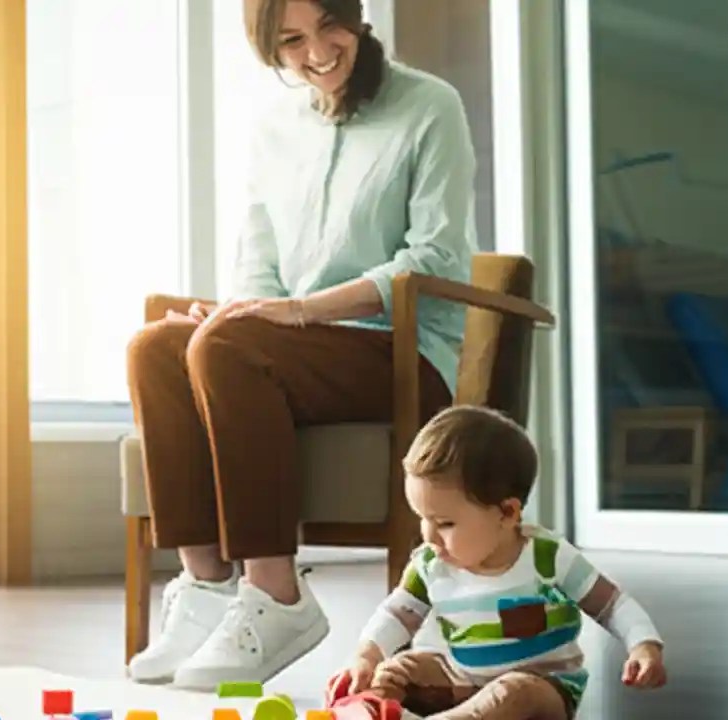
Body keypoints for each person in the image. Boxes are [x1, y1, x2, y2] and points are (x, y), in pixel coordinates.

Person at [124, 0, 479, 691]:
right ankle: (206, 592)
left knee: (223, 347)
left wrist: (301, 310)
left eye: (329, 26)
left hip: (397, 350)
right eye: (291, 40)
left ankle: (277, 594)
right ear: (270, 50)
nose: (317, 51)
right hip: (291, 350)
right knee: (156, 347)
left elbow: (434, 259)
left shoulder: (429, 105)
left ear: (356, 16)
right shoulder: (274, 130)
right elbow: (258, 258)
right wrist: (239, 311)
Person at [324, 406, 667, 719]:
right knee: (399, 668)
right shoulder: (430, 564)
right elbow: (396, 613)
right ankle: (368, 710)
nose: (428, 536)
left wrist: (644, 645)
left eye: (444, 523)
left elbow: (612, 605)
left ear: (507, 513)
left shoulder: (547, 557)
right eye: (421, 518)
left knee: (513, 690)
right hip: (460, 679)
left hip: (543, 689)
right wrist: (366, 657)